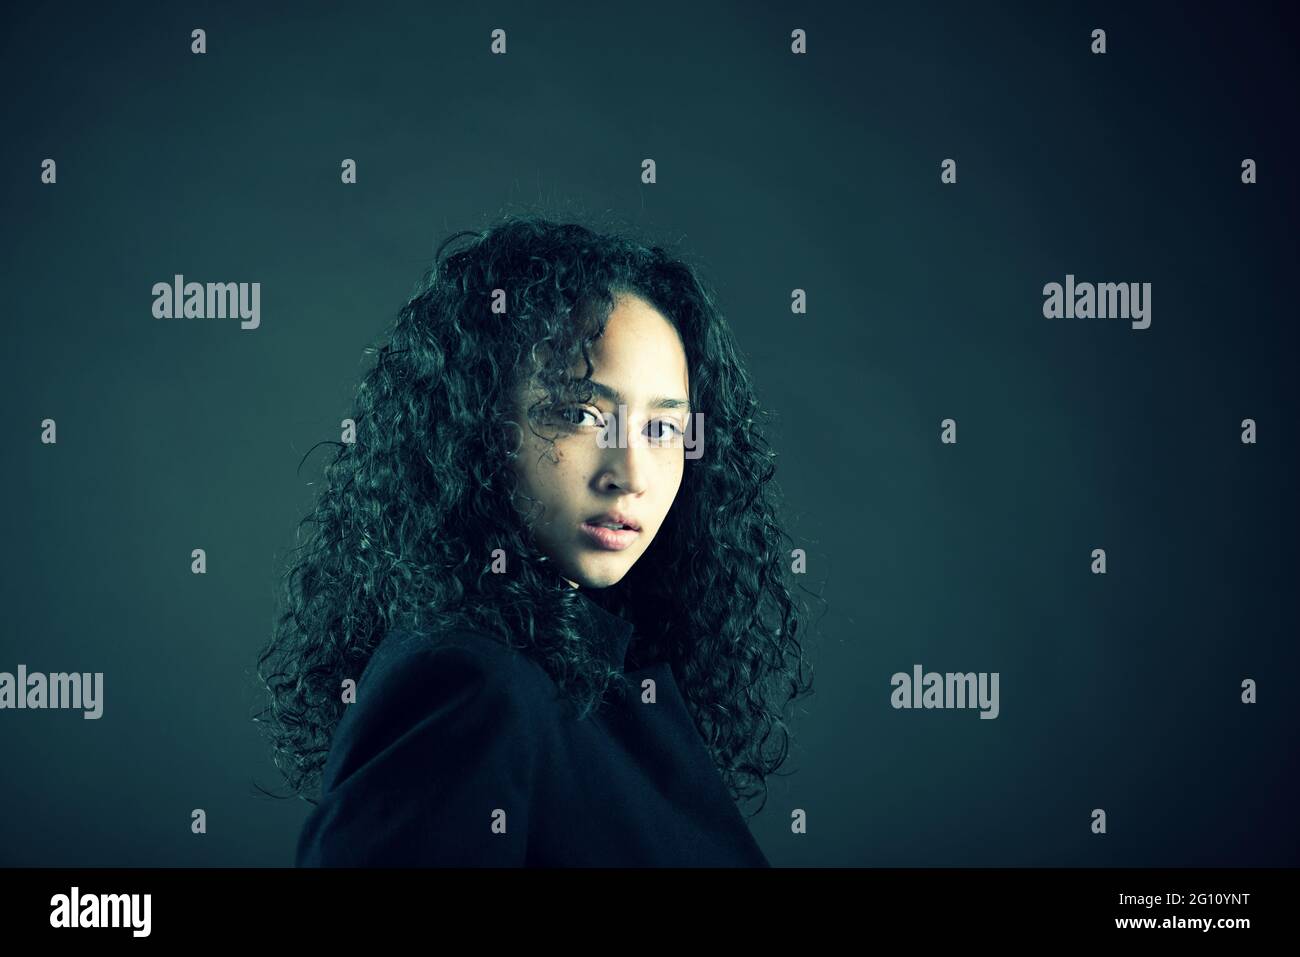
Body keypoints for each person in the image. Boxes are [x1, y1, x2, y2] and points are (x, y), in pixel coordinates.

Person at [255, 215, 813, 866]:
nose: (629, 473)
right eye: (578, 414)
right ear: (475, 423)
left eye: (663, 429)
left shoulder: (592, 670)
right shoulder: (466, 679)